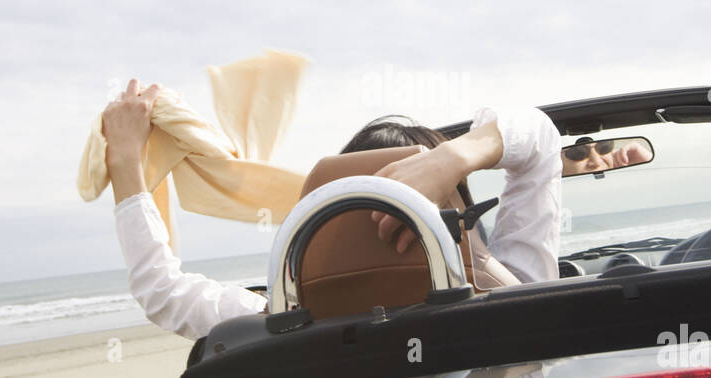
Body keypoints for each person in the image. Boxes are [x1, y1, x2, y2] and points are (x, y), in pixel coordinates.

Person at [103, 79, 561, 341]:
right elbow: (540, 140)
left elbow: (161, 290)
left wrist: (124, 159)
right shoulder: (523, 295)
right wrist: (453, 159)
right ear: (457, 212)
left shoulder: (286, 321)